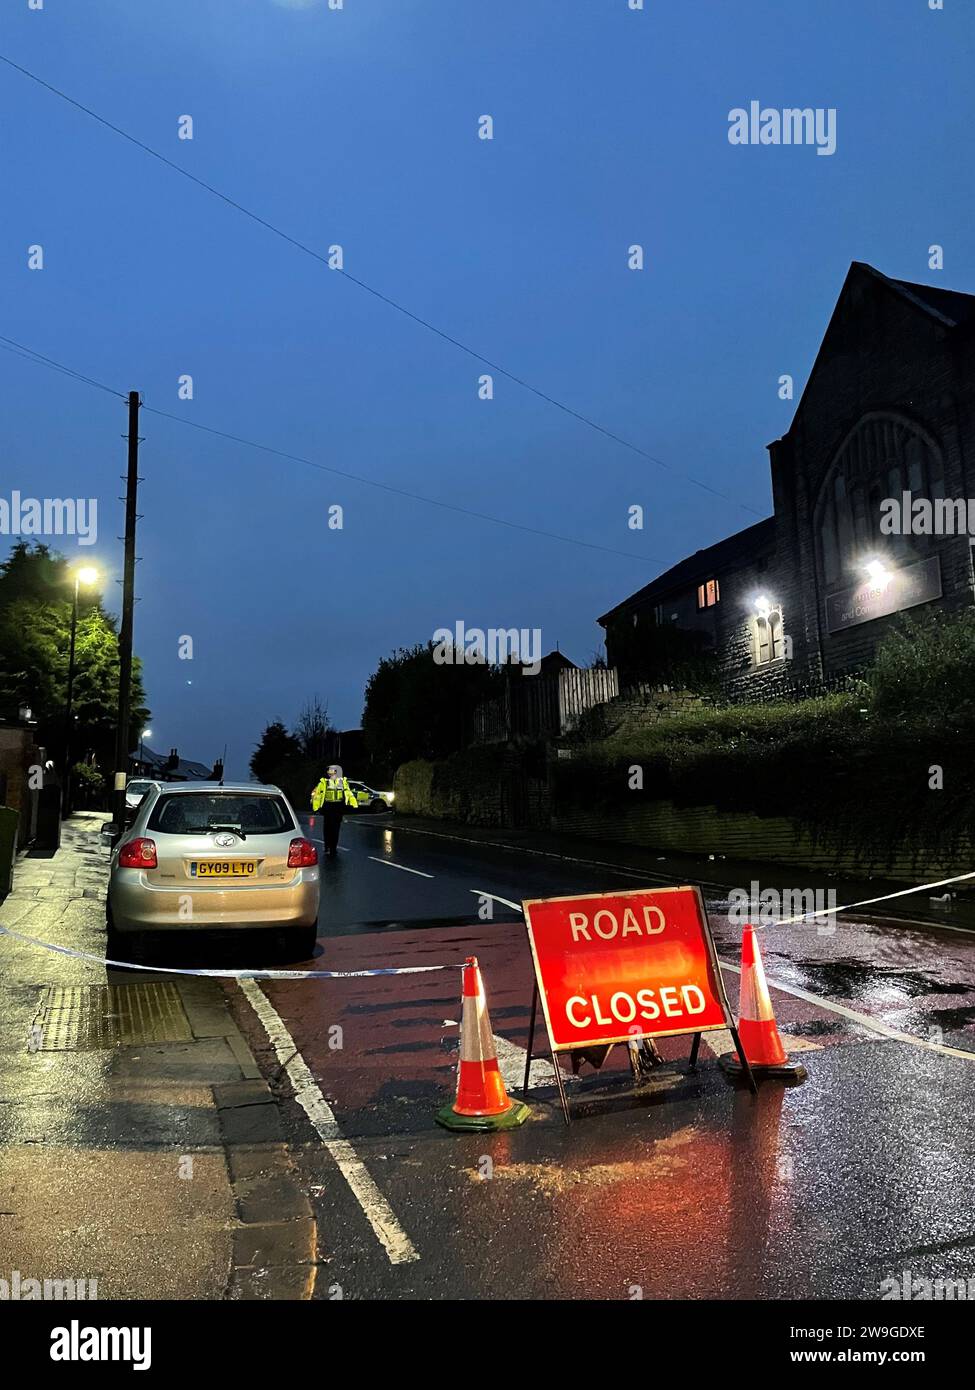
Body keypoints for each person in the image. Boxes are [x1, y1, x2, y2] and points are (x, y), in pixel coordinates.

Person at [310, 763, 358, 856]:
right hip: (327, 808)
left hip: (338, 808)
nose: (331, 773)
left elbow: (348, 793)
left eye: (333, 771)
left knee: (335, 829)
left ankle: (333, 848)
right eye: (330, 771)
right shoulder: (324, 782)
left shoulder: (342, 782)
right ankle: (327, 845)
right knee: (328, 829)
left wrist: (353, 803)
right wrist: (316, 807)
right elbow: (318, 796)